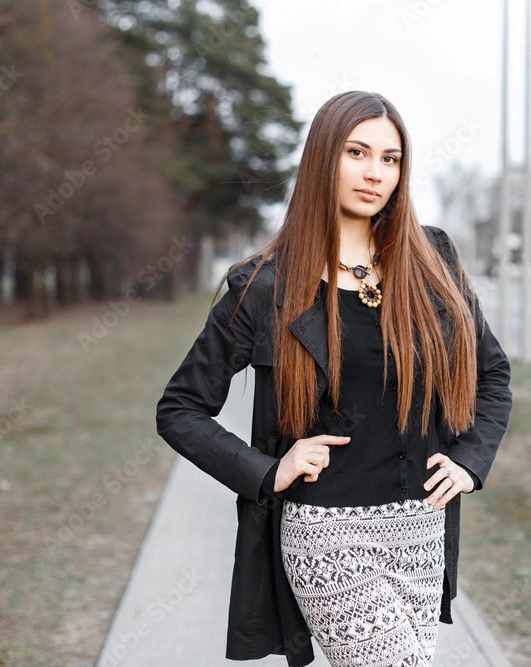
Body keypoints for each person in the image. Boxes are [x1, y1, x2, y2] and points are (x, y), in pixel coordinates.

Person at [156, 91, 512, 666]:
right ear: (325, 158)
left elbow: (491, 372)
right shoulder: (265, 287)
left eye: (391, 159)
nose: (375, 173)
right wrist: (269, 471)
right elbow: (179, 409)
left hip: (422, 533)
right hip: (328, 535)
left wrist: (471, 459)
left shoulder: (431, 259)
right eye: (357, 152)